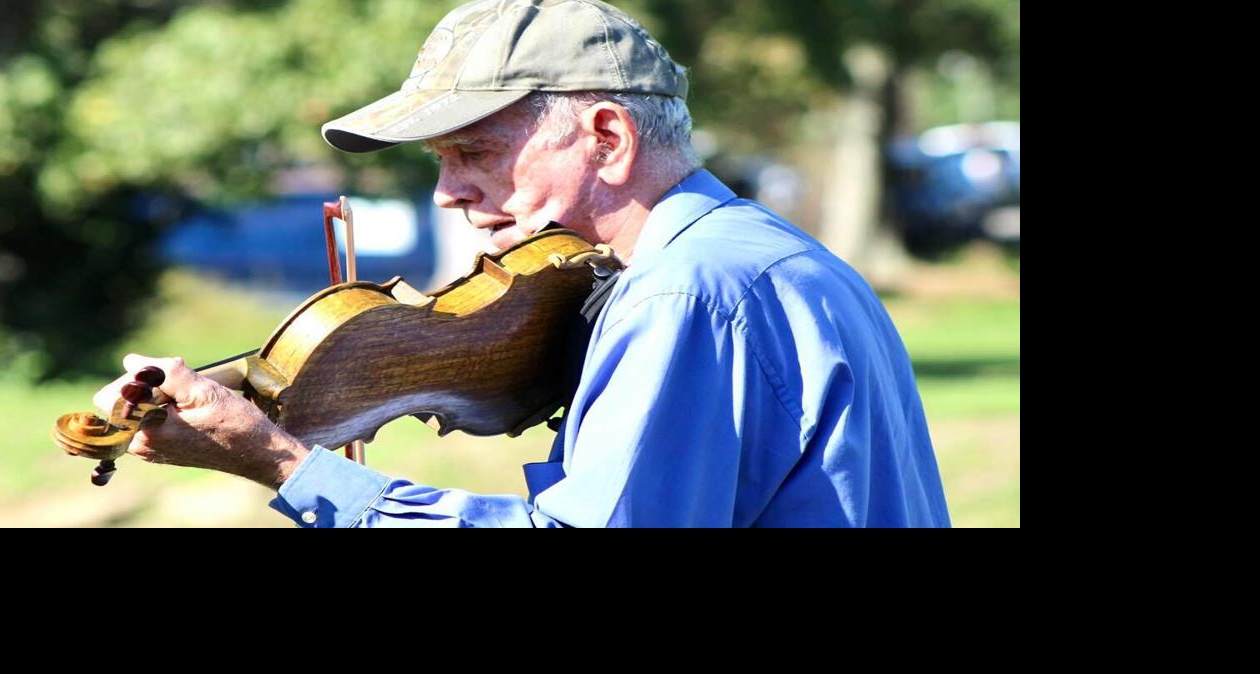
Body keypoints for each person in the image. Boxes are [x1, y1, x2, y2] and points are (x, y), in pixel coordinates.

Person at [96, 0, 950, 527]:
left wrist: (282, 465)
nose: (448, 193)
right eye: (439, 162)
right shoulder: (769, 255)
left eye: (475, 152)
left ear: (607, 138)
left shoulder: (684, 293)